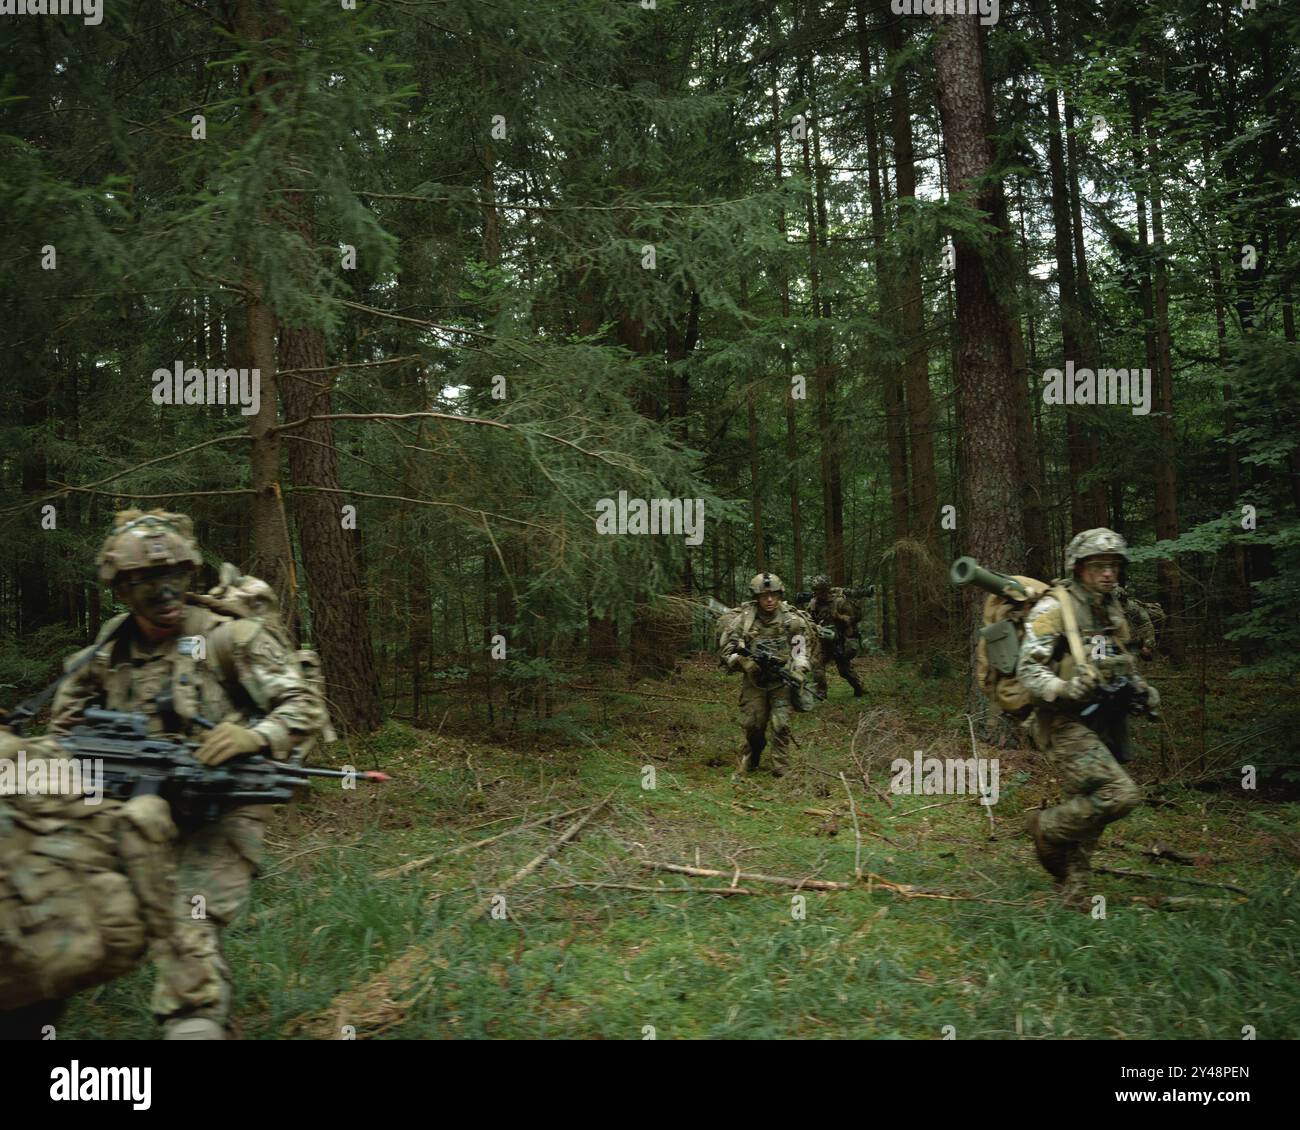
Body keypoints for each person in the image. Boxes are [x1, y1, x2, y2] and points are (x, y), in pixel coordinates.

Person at [44, 509, 329, 1039]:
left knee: (186, 918)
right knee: (58, 901)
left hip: (222, 804)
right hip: (126, 803)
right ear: (122, 588)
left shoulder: (232, 638)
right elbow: (63, 728)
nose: (165, 589)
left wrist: (255, 736)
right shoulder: (111, 646)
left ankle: (194, 1023)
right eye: (147, 580)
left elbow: (303, 704)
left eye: (175, 574)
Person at [1017, 528, 1160, 905]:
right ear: (1079, 568)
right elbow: (1028, 671)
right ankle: (1045, 828)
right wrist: (1063, 688)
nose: (1108, 573)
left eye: (1113, 565)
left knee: (1090, 806)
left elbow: (1122, 661)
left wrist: (1143, 691)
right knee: (1119, 794)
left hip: (1103, 720)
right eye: (1099, 565)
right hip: (1062, 721)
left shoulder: (1112, 608)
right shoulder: (1054, 608)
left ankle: (1074, 888)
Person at [718, 572, 814, 776]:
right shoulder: (745, 621)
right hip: (755, 683)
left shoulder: (792, 621)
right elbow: (727, 650)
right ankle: (753, 753)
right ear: (757, 598)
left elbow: (800, 650)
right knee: (753, 724)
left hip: (781, 682)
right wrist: (745, 662)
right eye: (764, 596)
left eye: (773, 595)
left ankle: (781, 766)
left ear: (779, 595)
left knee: (781, 724)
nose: (769, 600)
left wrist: (798, 670)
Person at [803, 575, 865, 699]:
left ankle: (859, 687)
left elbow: (854, 618)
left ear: (826, 590)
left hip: (839, 641)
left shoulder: (839, 602)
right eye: (815, 590)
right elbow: (808, 619)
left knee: (844, 670)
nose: (816, 593)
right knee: (817, 664)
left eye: (819, 590)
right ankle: (821, 693)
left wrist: (839, 617)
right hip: (823, 641)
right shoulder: (813, 603)